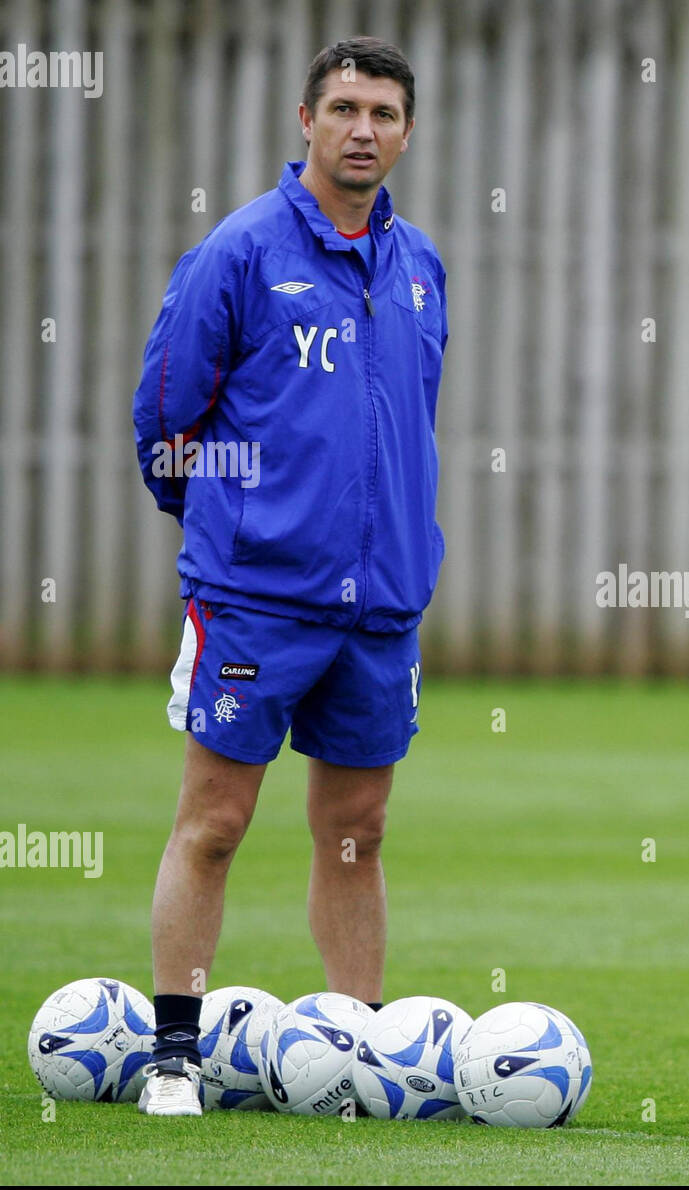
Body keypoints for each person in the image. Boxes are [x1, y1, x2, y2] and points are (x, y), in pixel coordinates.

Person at [131, 37, 448, 1114]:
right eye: (346, 108)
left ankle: (353, 1058)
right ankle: (175, 1053)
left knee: (358, 831)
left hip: (381, 608)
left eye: (386, 112)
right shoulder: (240, 251)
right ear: (302, 120)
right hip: (255, 599)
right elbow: (166, 424)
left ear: (408, 130)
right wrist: (244, 531)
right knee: (215, 821)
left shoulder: (421, 267)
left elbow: (403, 429)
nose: (365, 129)